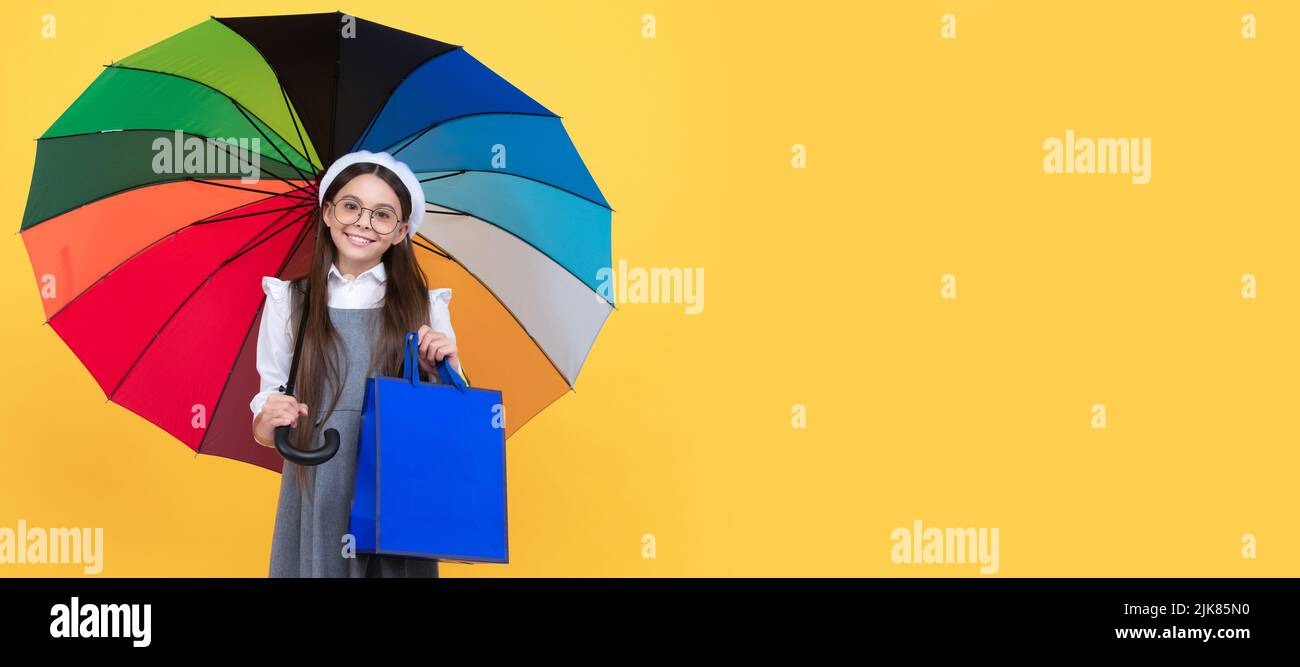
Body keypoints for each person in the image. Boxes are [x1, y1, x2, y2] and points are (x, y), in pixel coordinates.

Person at [249, 150, 464, 577]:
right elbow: (265, 424)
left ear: (401, 231)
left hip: (393, 488)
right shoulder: (290, 301)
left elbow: (449, 424)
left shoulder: (423, 306)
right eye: (351, 206)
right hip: (316, 478)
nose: (364, 223)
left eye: (382, 215)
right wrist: (268, 418)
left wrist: (445, 365)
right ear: (328, 212)